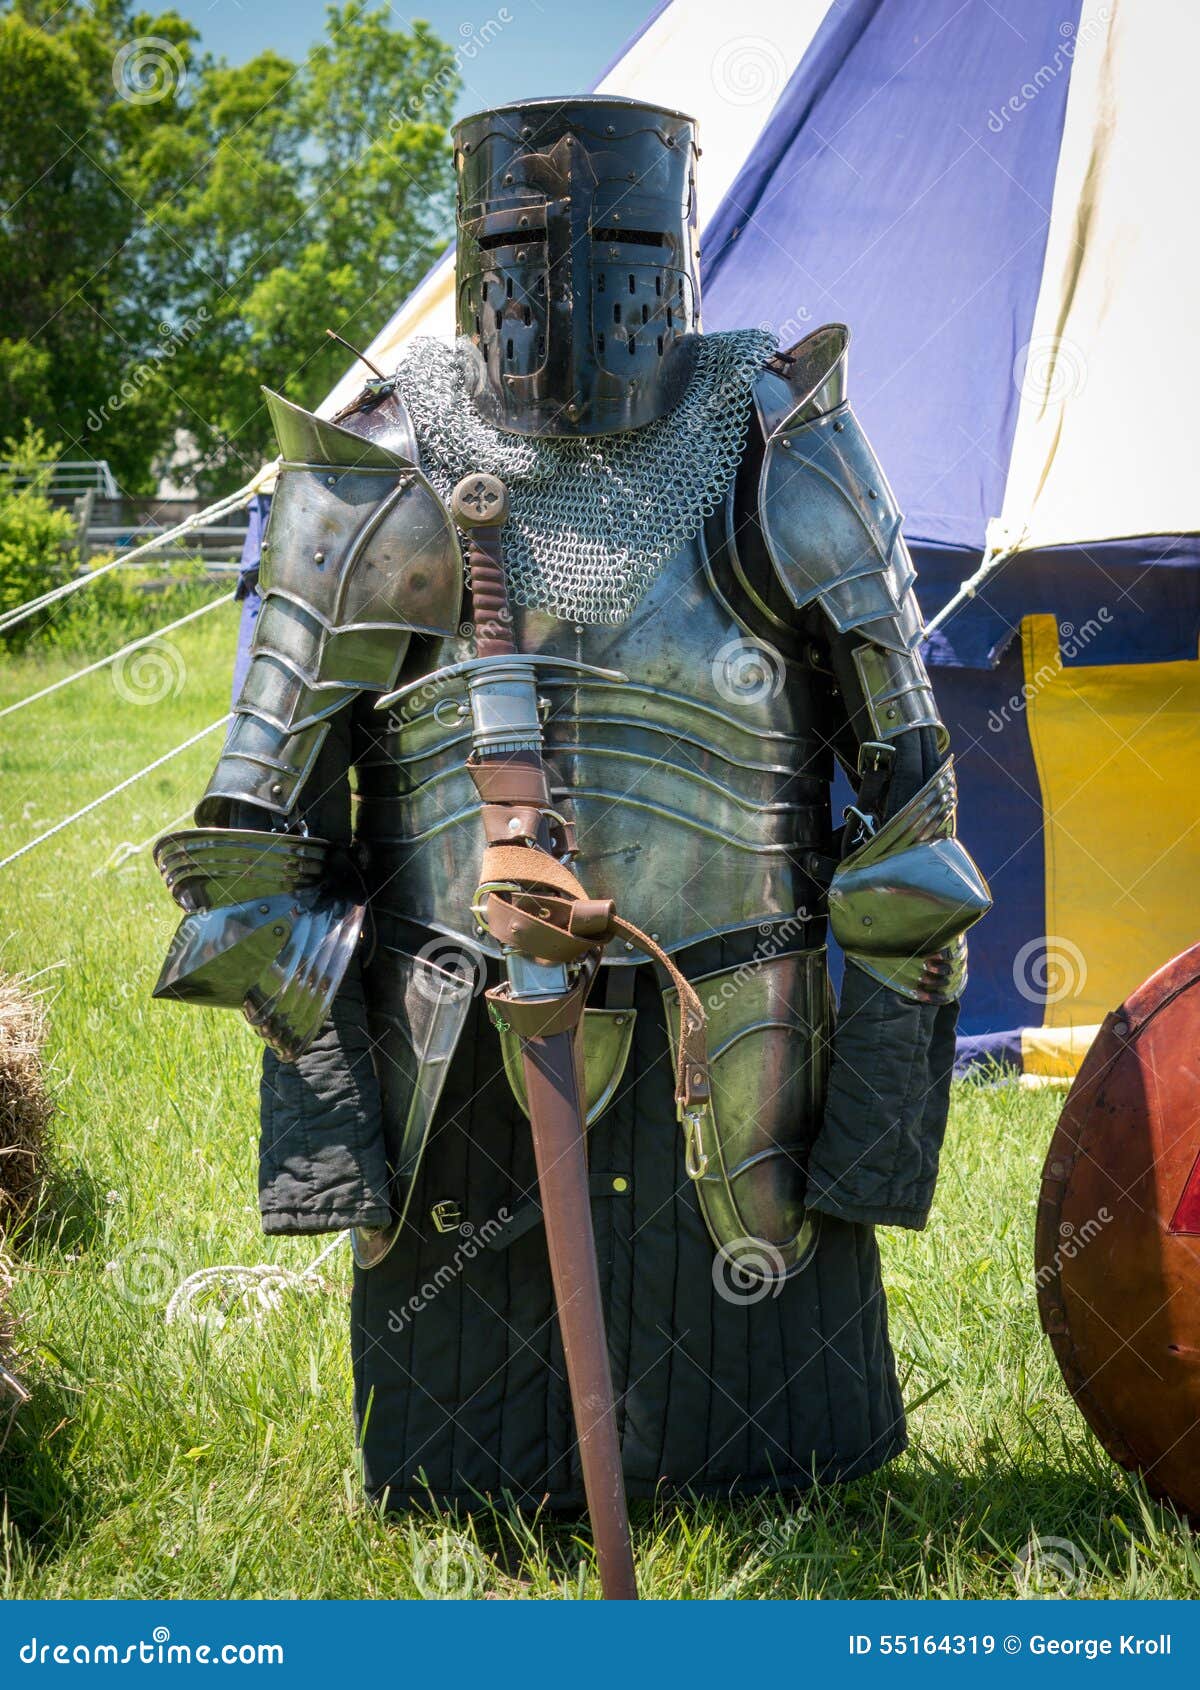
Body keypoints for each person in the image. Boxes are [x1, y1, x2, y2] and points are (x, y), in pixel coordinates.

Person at [154, 95, 989, 1509]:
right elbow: (248, 864)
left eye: (610, 235)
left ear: (671, 238)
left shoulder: (782, 447)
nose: (572, 282)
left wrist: (871, 1137)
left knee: (773, 1451)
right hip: (460, 1053)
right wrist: (345, 1115)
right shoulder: (375, 474)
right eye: (526, 240)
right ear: (477, 250)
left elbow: (913, 834)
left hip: (737, 1041)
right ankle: (483, 1464)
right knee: (475, 1463)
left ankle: (769, 1444)